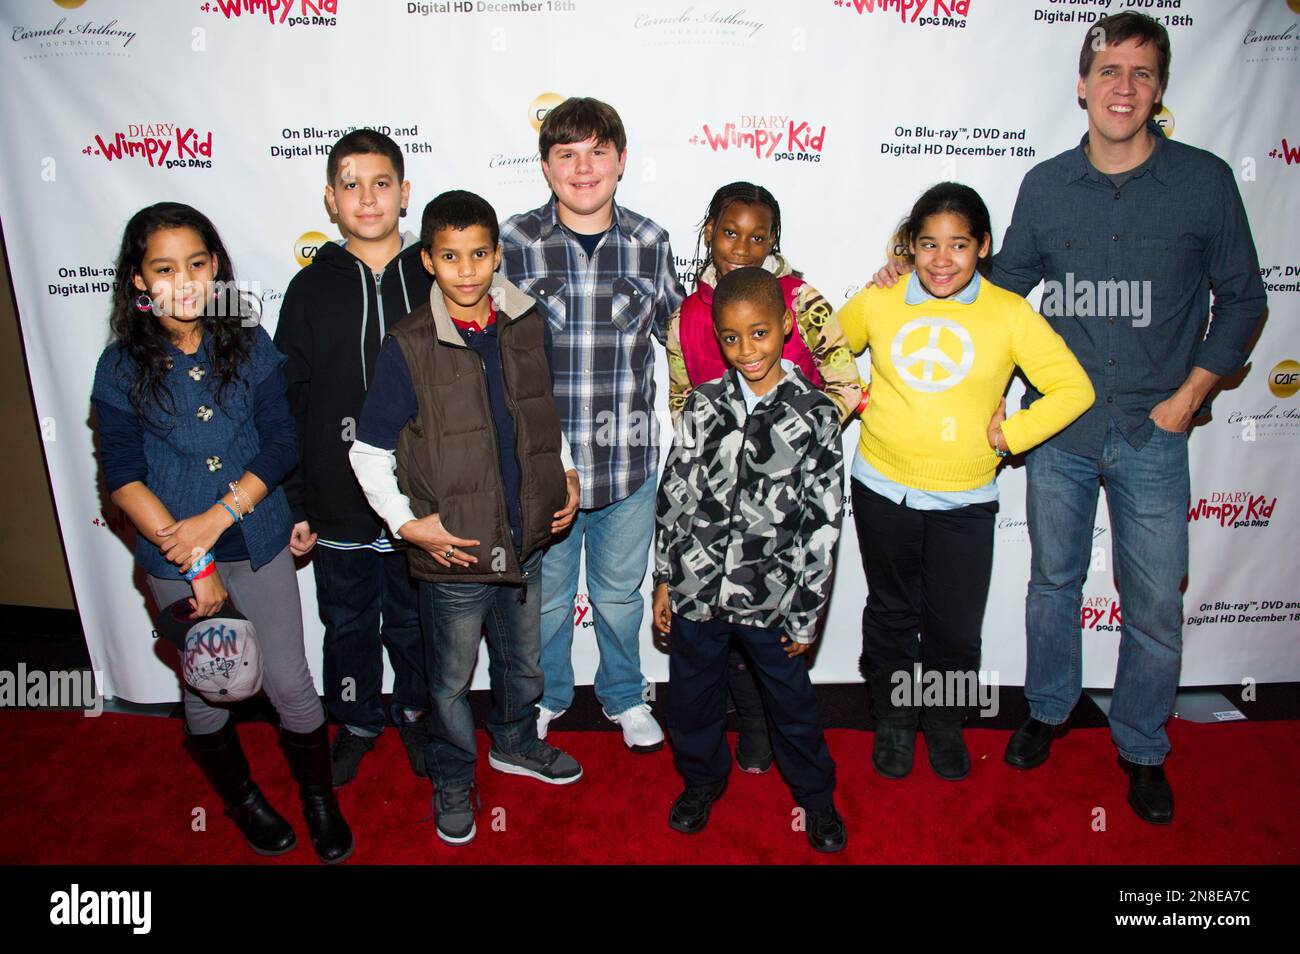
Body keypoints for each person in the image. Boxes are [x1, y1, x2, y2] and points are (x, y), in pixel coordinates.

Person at [870, 13, 1266, 822]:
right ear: (1081, 85)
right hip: (1059, 435)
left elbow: (1246, 300)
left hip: (1156, 431)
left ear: (1160, 89)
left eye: (1142, 73)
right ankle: (1047, 711)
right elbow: (998, 286)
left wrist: (1189, 399)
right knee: (1053, 583)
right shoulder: (1046, 185)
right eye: (1109, 71)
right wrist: (908, 280)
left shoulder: (1206, 181)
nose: (1124, 87)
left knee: (1152, 602)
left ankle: (1143, 746)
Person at [92, 202, 353, 863]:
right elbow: (121, 476)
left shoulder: (248, 340)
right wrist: (192, 556)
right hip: (173, 558)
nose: (185, 280)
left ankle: (319, 800)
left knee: (290, 681)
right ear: (139, 282)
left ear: (216, 268)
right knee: (209, 690)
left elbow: (281, 441)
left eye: (197, 264)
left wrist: (217, 519)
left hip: (256, 539)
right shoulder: (119, 366)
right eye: (164, 267)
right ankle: (242, 801)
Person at [350, 190, 584, 846]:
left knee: (523, 661)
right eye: (450, 256)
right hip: (454, 551)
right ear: (428, 260)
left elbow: (540, 412)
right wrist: (405, 523)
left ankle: (514, 741)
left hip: (529, 538)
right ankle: (453, 773)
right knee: (450, 679)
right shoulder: (408, 344)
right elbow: (368, 449)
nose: (468, 269)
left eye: (480, 253)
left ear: (497, 254)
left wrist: (562, 472)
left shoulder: (524, 319)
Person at [839, 183, 1093, 782]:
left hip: (966, 498)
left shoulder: (1008, 313)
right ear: (910, 246)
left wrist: (1015, 433)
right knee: (893, 614)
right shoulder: (882, 300)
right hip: (883, 489)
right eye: (927, 244)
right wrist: (848, 396)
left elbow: (1073, 388)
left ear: (983, 246)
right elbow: (818, 354)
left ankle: (945, 719)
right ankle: (897, 718)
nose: (942, 259)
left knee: (954, 624)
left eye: (958, 244)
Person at [500, 97, 686, 751]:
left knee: (618, 599)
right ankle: (545, 698)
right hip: (543, 471)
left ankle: (624, 696)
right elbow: (481, 340)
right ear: (547, 167)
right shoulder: (515, 243)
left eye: (598, 152)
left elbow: (687, 335)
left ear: (621, 160)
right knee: (547, 605)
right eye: (567, 154)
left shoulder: (650, 242)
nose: (584, 169)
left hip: (627, 466)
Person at [666, 180, 864, 775]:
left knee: (775, 668)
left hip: (772, 522)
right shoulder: (686, 314)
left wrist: (788, 437)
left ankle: (776, 747)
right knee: (704, 670)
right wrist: (719, 448)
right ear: (709, 232)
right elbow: (681, 402)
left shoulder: (802, 300)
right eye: (730, 232)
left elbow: (846, 384)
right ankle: (714, 764)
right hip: (710, 520)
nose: (742, 247)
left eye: (759, 237)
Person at [653, 266, 847, 853]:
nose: (747, 350)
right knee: (691, 699)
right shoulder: (703, 405)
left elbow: (824, 524)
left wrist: (806, 612)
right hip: (696, 589)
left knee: (792, 704)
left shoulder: (815, 414)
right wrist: (665, 577)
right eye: (732, 338)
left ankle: (816, 798)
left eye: (760, 333)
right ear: (717, 337)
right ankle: (701, 781)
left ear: (786, 327)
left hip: (773, 596)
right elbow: (675, 492)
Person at [274, 129, 433, 787]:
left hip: (422, 500)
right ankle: (358, 720)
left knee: (416, 621)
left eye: (380, 182)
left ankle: (419, 714)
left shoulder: (440, 274)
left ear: (404, 193)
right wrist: (296, 500)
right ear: (330, 200)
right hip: (337, 503)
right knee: (346, 624)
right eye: (350, 184)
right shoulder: (309, 289)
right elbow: (287, 400)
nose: (366, 197)